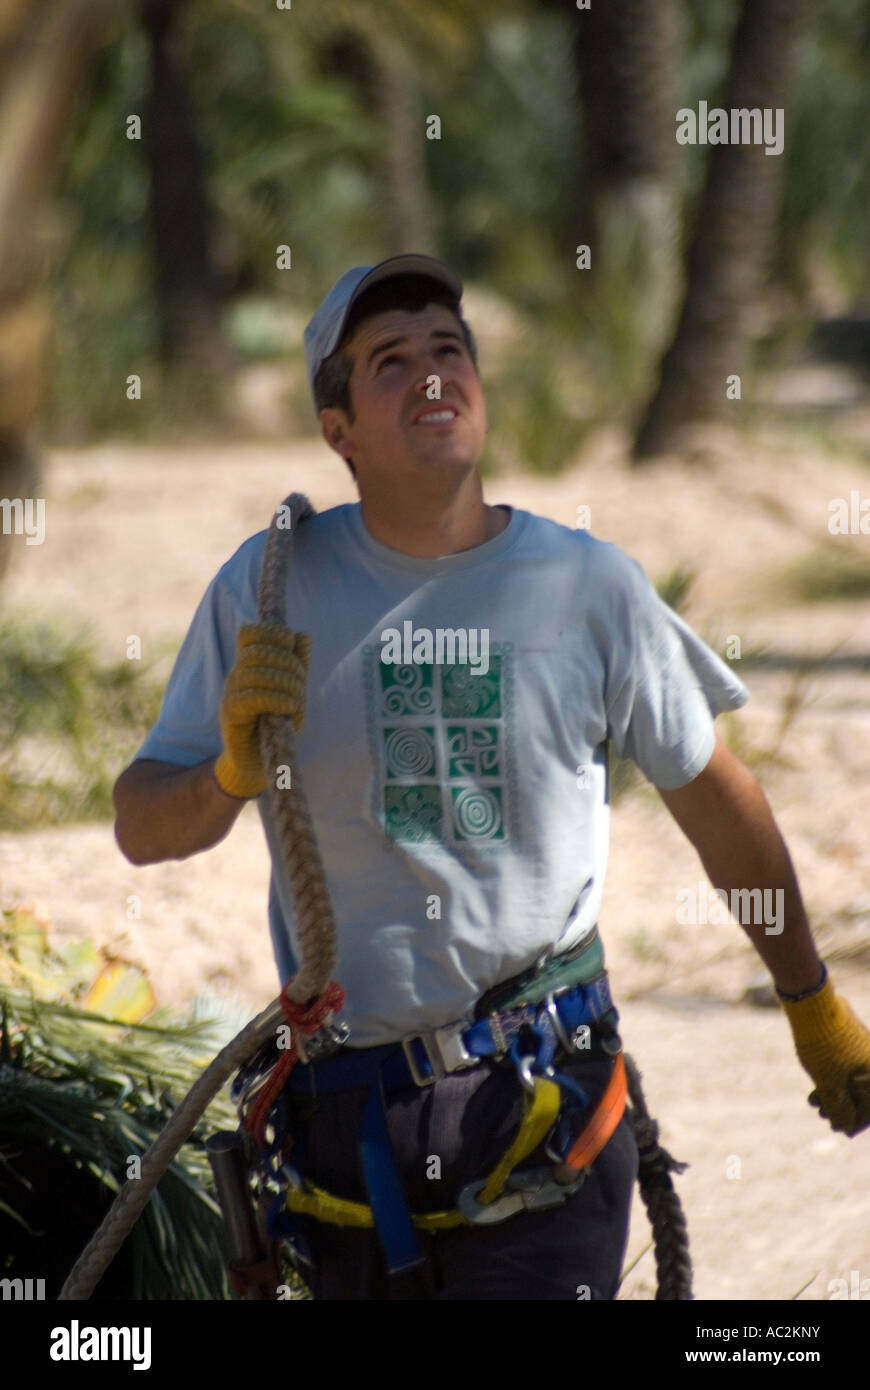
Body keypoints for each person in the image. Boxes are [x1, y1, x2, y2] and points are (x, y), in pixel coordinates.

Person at [113, 253, 870, 1301]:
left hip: (538, 1108)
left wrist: (811, 1004)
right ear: (339, 431)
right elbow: (143, 824)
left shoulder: (587, 586)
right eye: (390, 361)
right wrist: (230, 772)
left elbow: (718, 802)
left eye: (448, 349)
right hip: (343, 1134)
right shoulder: (266, 590)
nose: (432, 374)